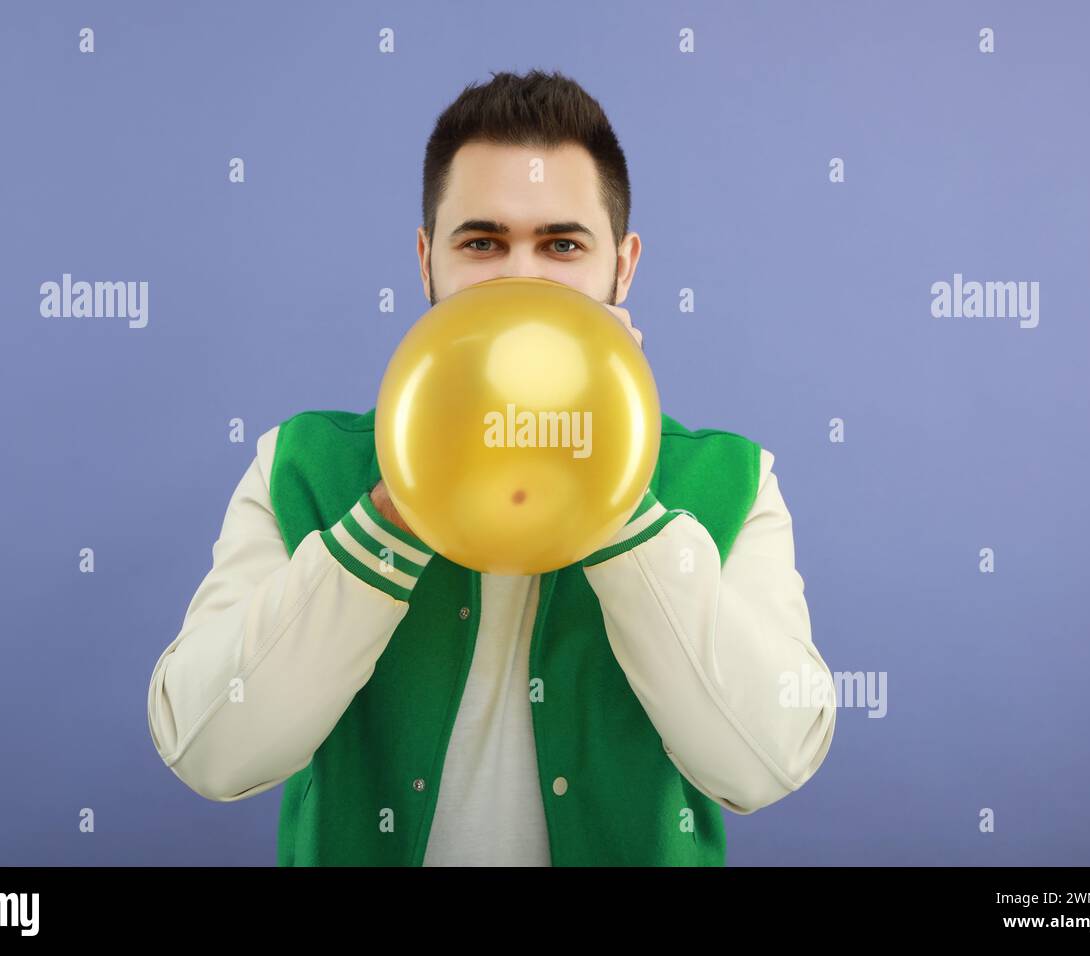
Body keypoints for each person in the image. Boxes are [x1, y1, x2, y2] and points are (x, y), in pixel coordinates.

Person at [147, 69, 836, 866]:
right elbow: (207, 750)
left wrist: (615, 495)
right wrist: (398, 508)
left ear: (625, 267)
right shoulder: (299, 466)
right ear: (425, 261)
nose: (521, 279)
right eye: (482, 243)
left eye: (562, 245)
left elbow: (767, 763)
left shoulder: (734, 482)